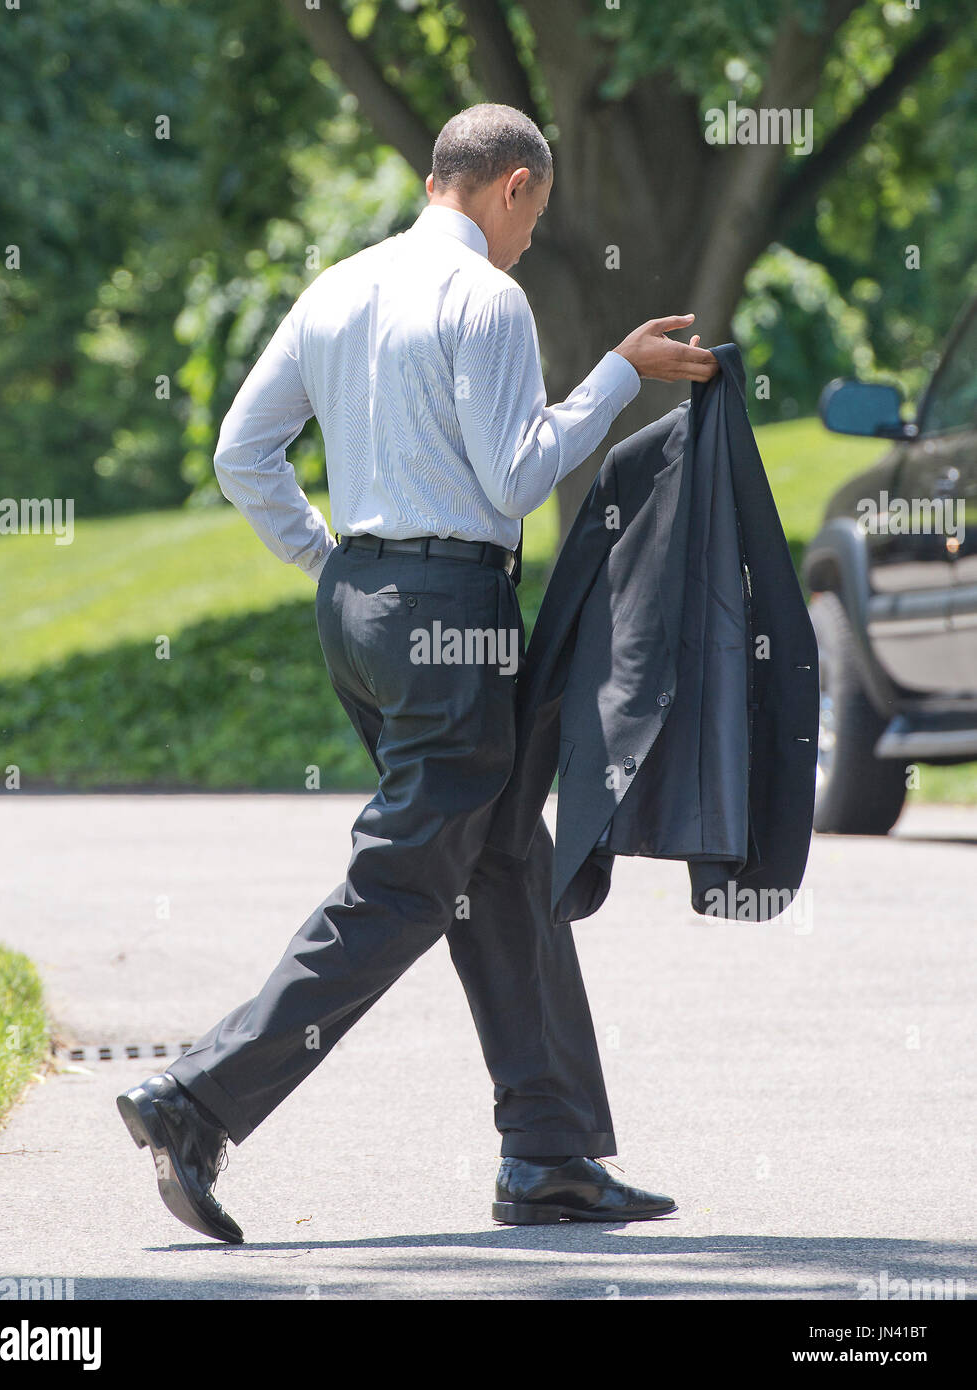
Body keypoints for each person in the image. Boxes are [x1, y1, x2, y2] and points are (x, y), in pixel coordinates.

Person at [117, 103, 718, 1242]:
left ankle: (550, 1155)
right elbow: (515, 482)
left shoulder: (336, 286)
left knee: (495, 862)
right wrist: (616, 376)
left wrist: (335, 559)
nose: (532, 238)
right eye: (535, 214)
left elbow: (240, 455)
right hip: (449, 614)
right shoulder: (486, 299)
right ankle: (197, 1100)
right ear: (513, 187)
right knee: (407, 878)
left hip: (360, 614)